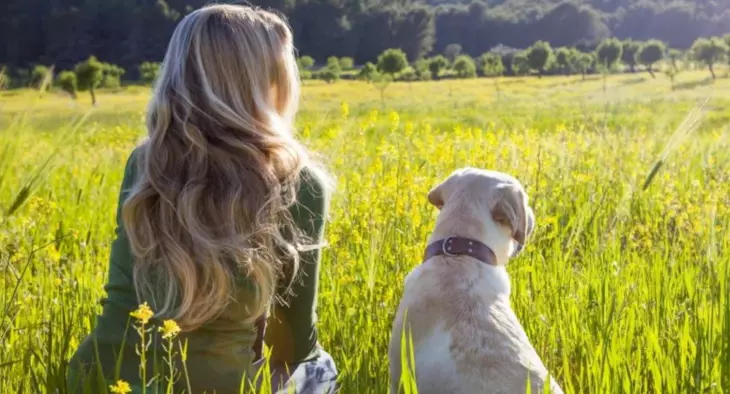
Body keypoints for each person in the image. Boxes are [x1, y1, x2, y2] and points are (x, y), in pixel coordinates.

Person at [66, 4, 337, 393]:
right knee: (320, 367)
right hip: (218, 386)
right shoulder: (297, 182)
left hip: (101, 377)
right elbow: (294, 345)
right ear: (264, 82)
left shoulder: (145, 164)